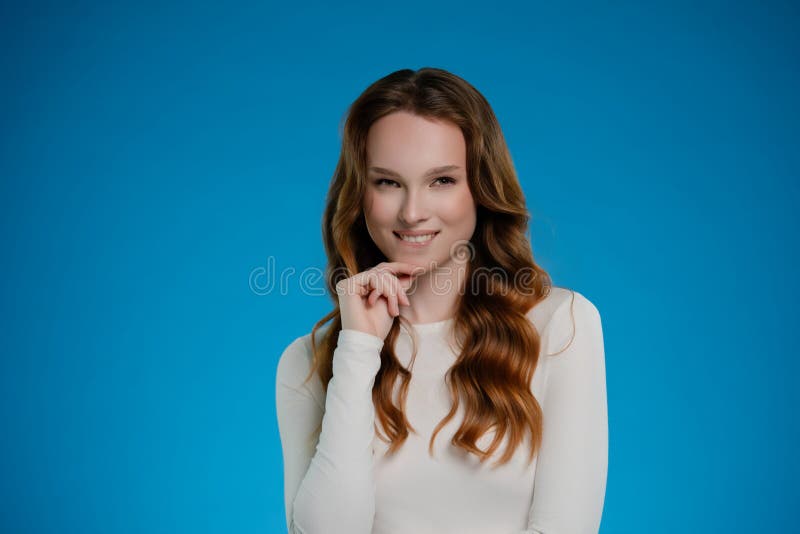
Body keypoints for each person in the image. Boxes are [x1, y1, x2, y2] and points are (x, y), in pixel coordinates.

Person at [275, 67, 608, 534]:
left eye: (442, 181)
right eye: (387, 182)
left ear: (481, 188)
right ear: (359, 193)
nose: (412, 212)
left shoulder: (561, 326)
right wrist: (358, 348)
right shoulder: (310, 361)